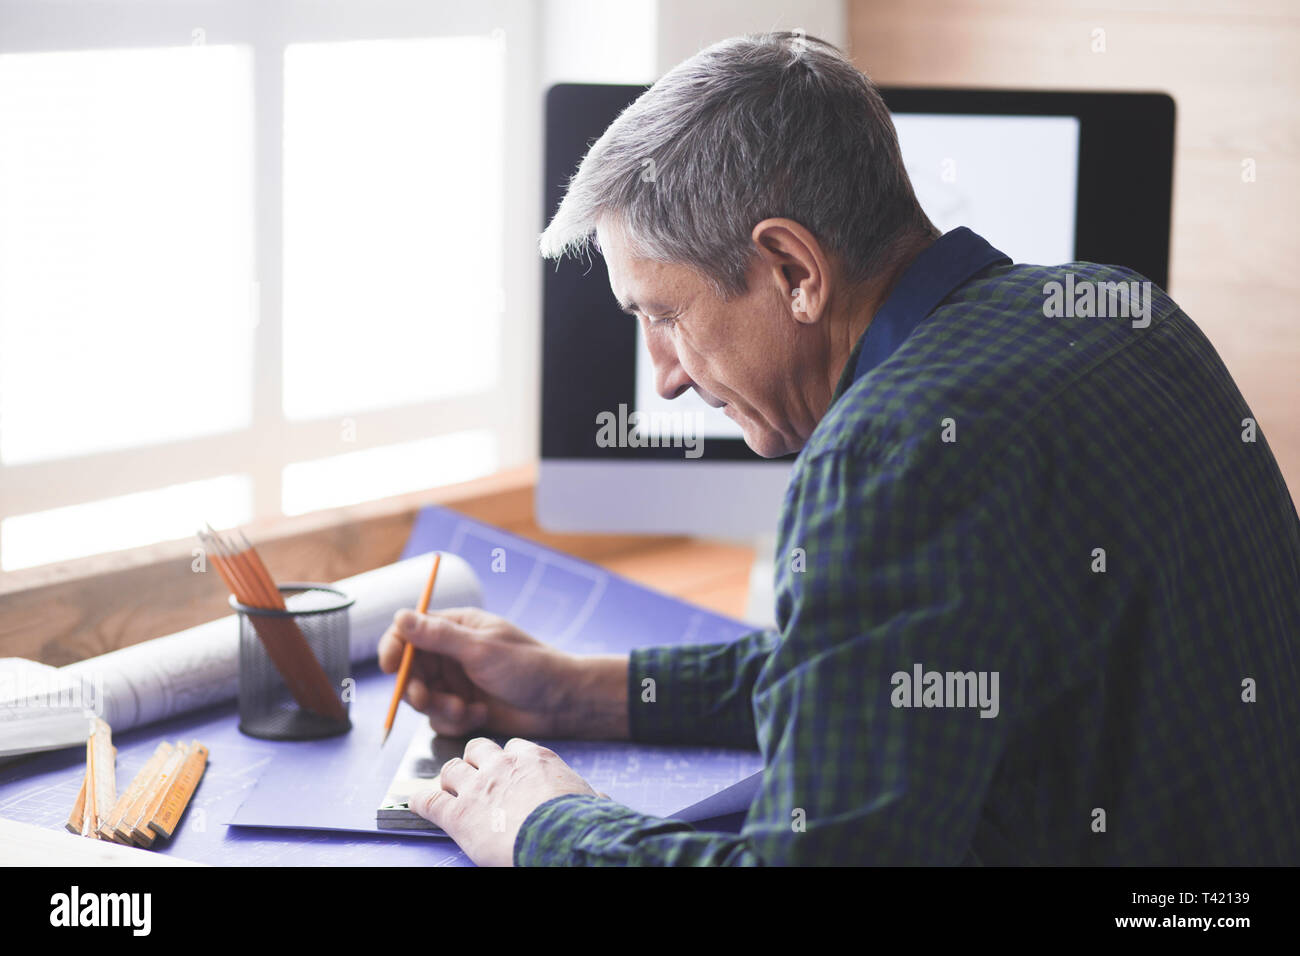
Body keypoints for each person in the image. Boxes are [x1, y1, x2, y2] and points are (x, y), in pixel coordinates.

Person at [377, 32, 1300, 866]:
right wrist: (577, 690)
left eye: (665, 315)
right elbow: (882, 677)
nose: (664, 376)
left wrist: (540, 825)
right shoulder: (1122, 310)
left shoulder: (888, 451)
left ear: (794, 271)